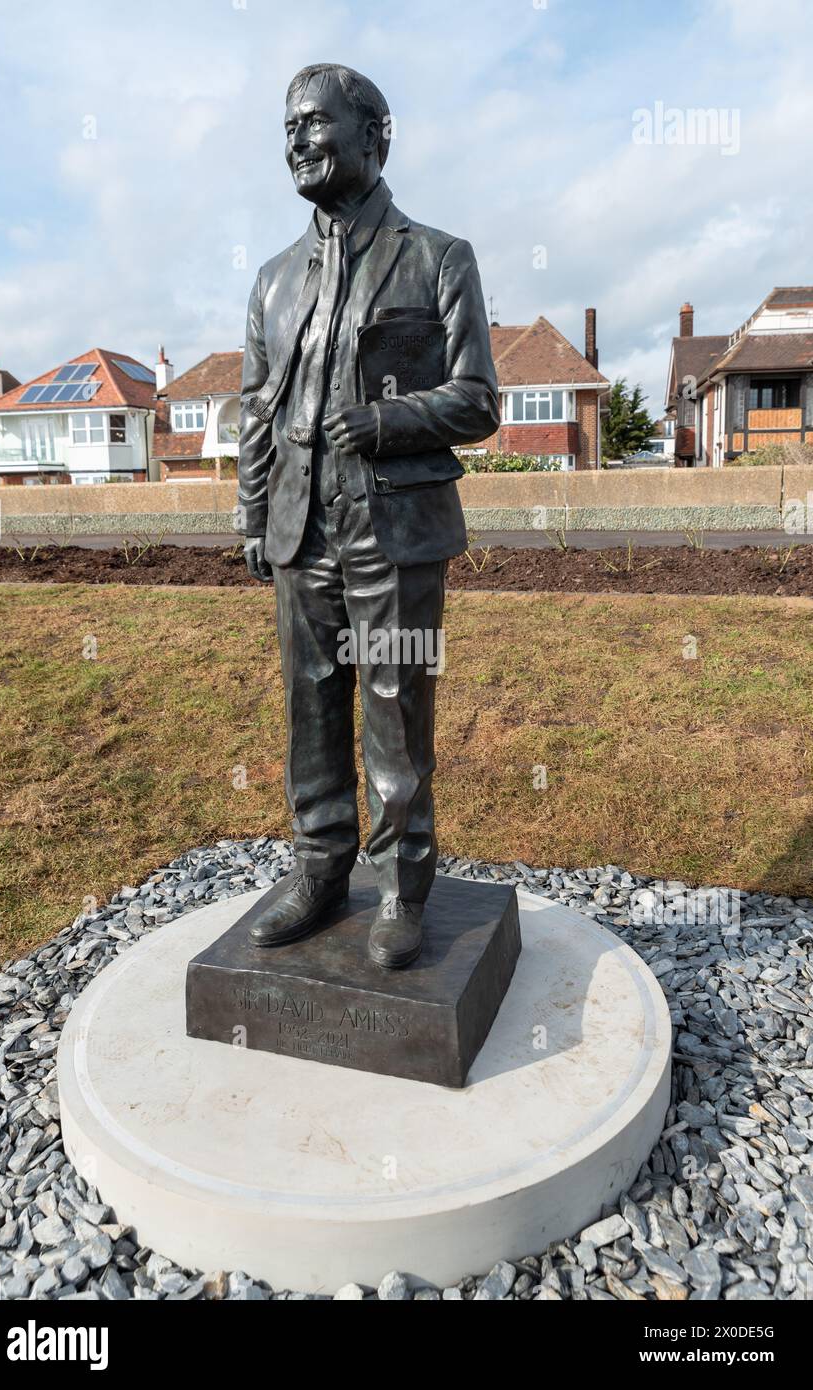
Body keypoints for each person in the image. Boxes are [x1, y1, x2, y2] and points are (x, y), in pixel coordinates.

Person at [237, 62, 498, 967]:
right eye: (287, 129)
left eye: (313, 123)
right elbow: (256, 407)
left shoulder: (437, 257)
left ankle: (400, 887)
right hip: (297, 529)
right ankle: (317, 868)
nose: (297, 142)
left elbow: (477, 401)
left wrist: (386, 419)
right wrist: (250, 515)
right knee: (309, 705)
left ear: (374, 134)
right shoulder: (273, 280)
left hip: (392, 527)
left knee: (393, 702)